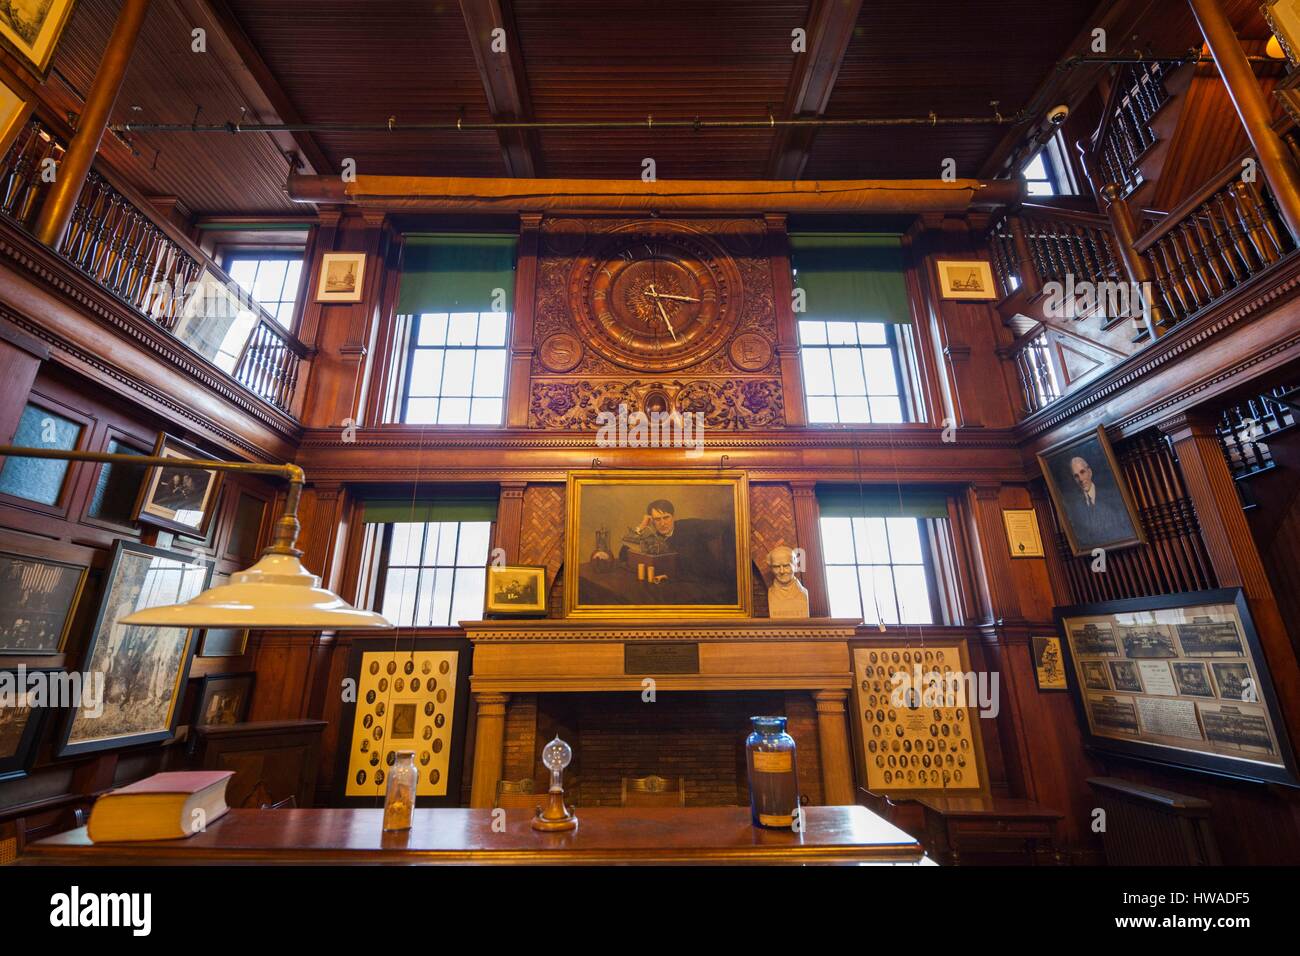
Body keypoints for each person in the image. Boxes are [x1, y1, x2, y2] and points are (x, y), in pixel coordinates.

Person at [1066, 454, 1135, 547]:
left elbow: (1126, 529)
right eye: (1076, 476)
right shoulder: (1075, 508)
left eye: (1082, 472)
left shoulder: (1113, 496)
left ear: (1089, 472)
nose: (1081, 479)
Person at [766, 544, 809, 619]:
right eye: (776, 567)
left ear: (795, 566)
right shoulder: (771, 593)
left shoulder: (803, 593)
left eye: (786, 566)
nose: (782, 571)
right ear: (771, 569)